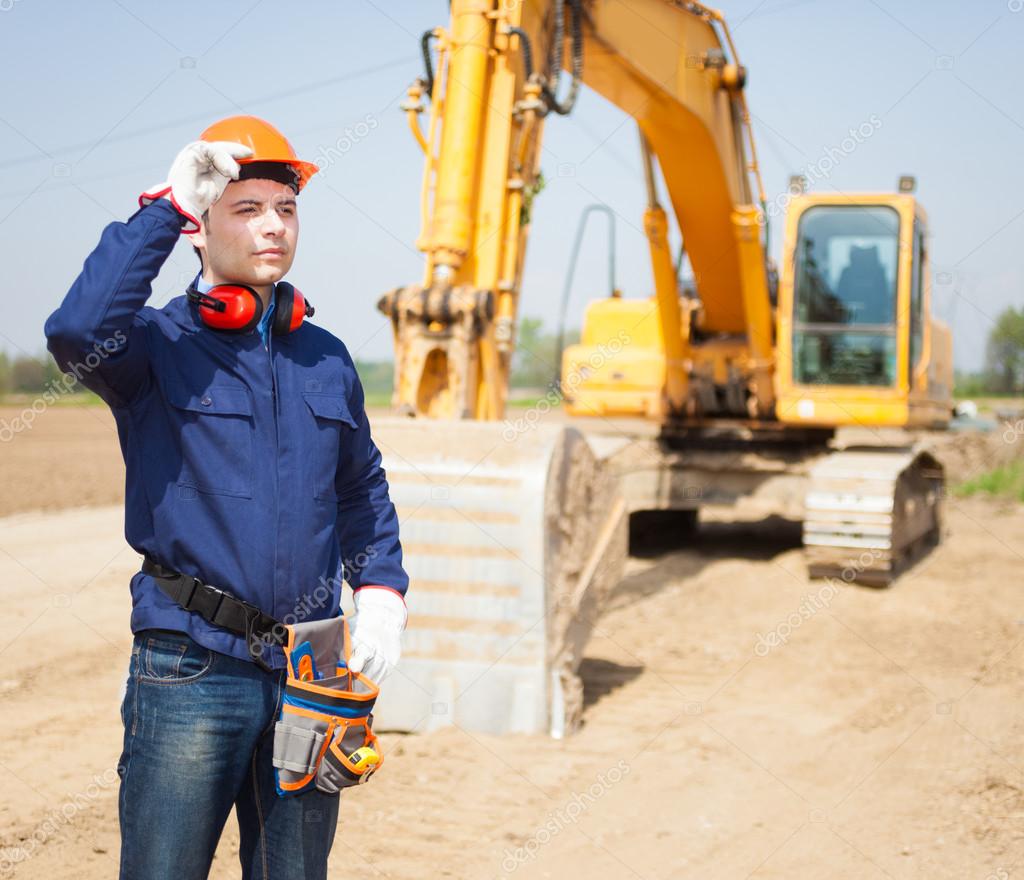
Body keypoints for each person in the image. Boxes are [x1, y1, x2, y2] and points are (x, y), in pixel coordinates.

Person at [43, 115, 410, 880]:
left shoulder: (328, 357)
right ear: (200, 226)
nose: (273, 225)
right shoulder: (154, 347)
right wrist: (162, 207)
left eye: (286, 207)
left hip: (312, 672)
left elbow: (360, 488)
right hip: (189, 667)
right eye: (246, 209)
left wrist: (380, 590)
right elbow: (76, 331)